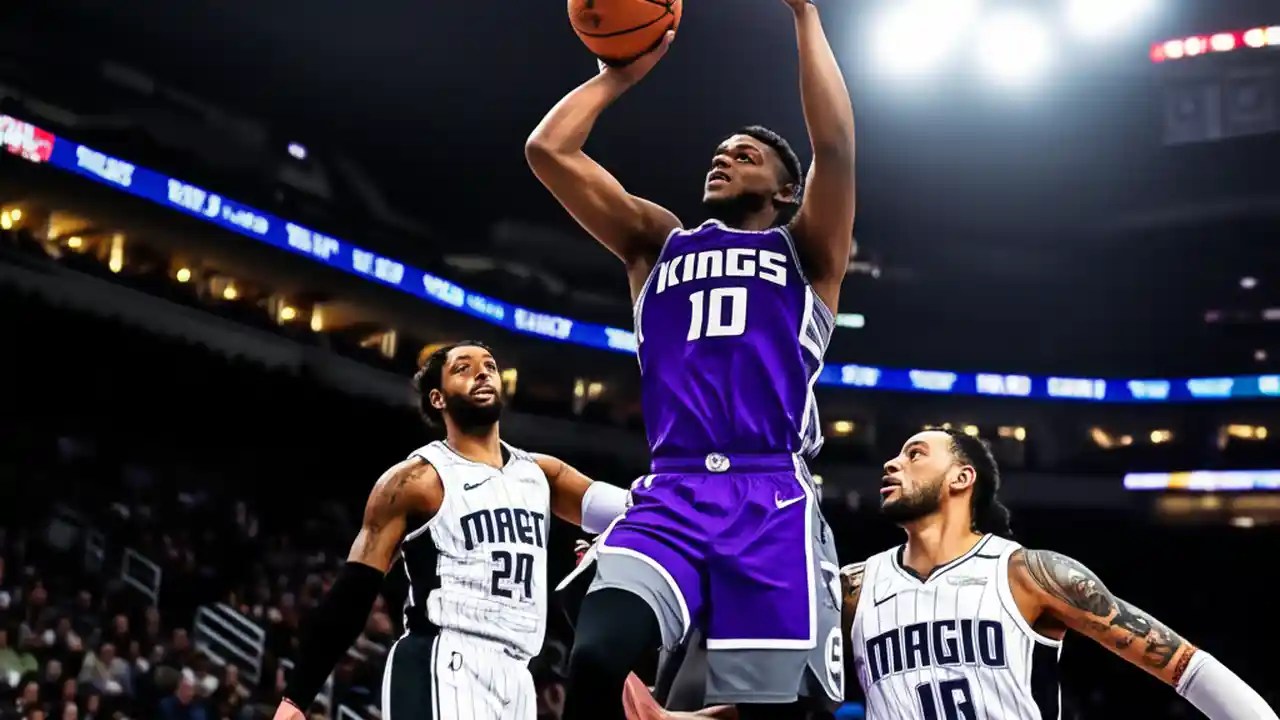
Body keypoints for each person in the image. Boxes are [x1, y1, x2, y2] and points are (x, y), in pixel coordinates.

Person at [525, 0, 856, 716]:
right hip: (671, 491)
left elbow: (835, 147)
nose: (724, 158)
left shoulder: (806, 252)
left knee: (769, 711)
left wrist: (805, 15)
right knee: (596, 657)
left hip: (770, 495)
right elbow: (548, 151)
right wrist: (616, 76)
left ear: (786, 191)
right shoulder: (657, 243)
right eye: (720, 153)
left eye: (746, 156)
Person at [629, 428, 1280, 720]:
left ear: (962, 477)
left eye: (914, 454)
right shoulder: (853, 588)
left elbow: (1182, 666)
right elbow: (781, 703)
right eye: (893, 455)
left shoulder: (1030, 573)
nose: (892, 464)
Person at [270, 342, 630, 720]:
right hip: (445, 660)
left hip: (518, 674)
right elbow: (354, 591)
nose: (482, 373)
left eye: (489, 366)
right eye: (463, 368)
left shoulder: (541, 473)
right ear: (437, 398)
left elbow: (636, 511)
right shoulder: (416, 479)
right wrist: (297, 698)